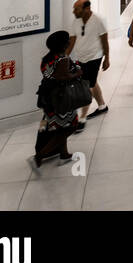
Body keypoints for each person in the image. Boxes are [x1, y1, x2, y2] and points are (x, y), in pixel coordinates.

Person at [34, 31, 84, 166]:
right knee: (70, 127)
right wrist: (78, 72)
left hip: (47, 96)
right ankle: (41, 154)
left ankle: (64, 153)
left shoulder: (47, 58)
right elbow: (63, 77)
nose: (69, 42)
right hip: (61, 98)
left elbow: (50, 75)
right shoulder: (62, 59)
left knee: (61, 127)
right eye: (67, 40)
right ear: (62, 44)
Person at [67, 0, 109, 123]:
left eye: (76, 9)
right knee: (92, 82)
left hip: (95, 57)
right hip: (81, 58)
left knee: (87, 86)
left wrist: (107, 58)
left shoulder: (98, 21)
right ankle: (102, 106)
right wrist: (63, 58)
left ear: (87, 9)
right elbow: (72, 41)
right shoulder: (76, 22)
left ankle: (82, 118)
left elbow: (104, 41)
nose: (74, 11)